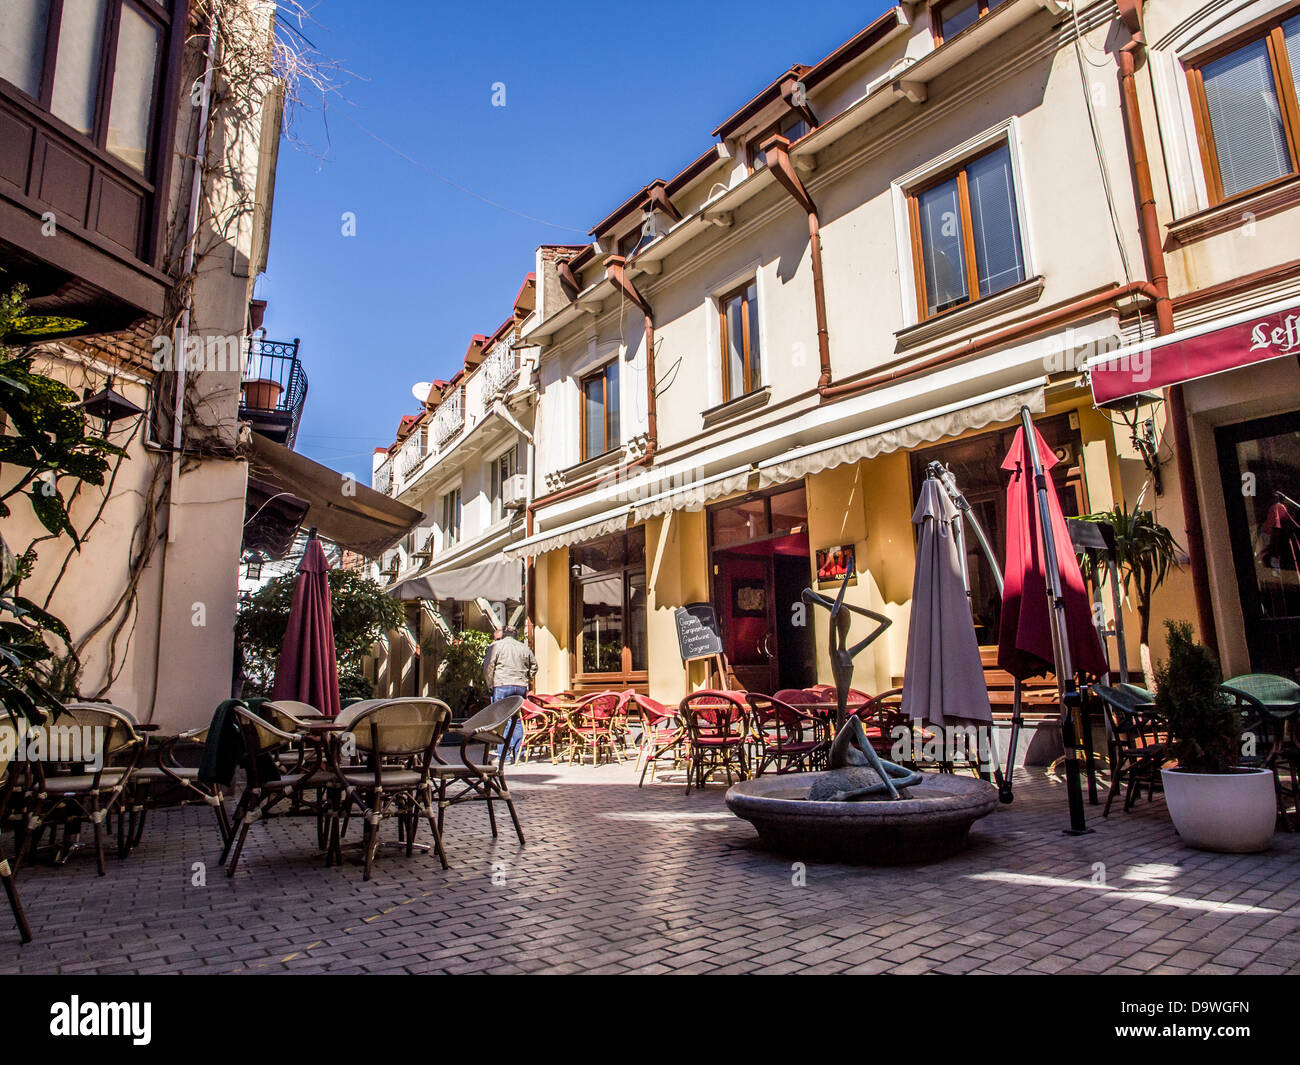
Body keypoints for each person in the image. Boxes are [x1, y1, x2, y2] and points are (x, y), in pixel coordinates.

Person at [482, 625, 536, 763]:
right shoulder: (524, 648)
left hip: (502, 684)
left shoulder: (496, 646)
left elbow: (489, 666)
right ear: (515, 635)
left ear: (504, 634)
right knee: (517, 720)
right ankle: (519, 754)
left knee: (502, 720)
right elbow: (534, 666)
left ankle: (504, 756)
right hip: (520, 686)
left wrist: (490, 684)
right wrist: (527, 678)